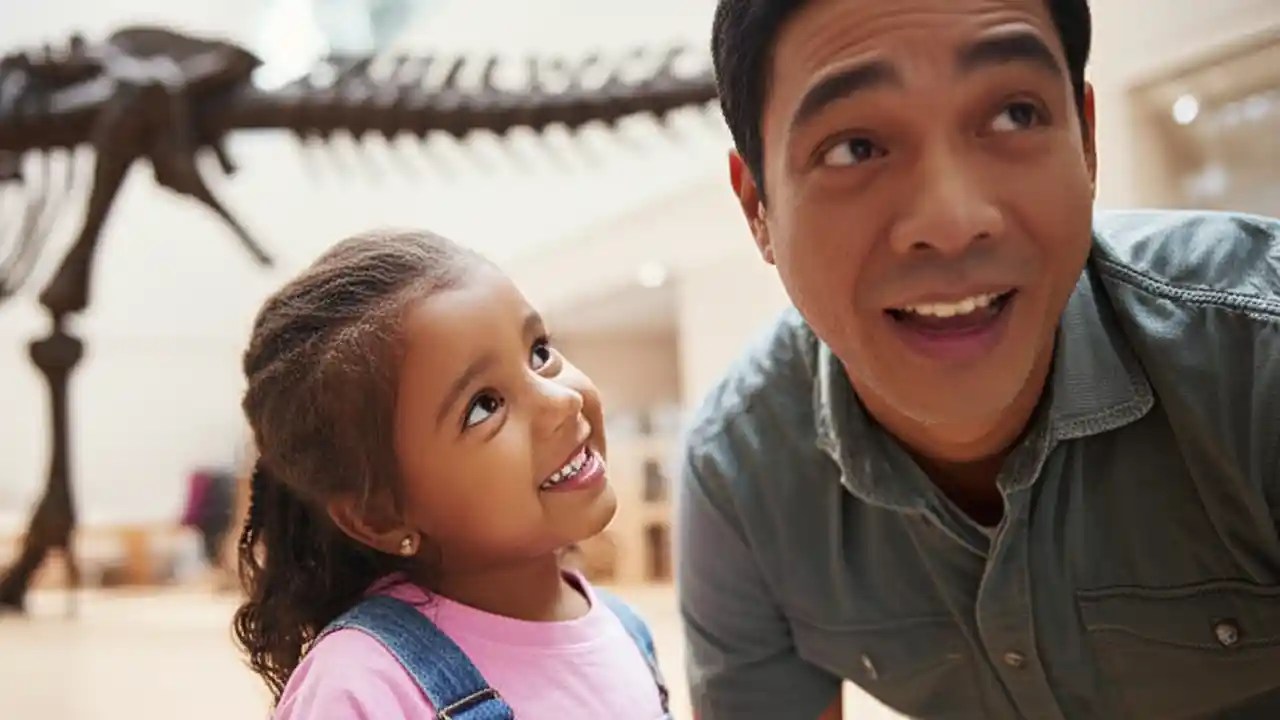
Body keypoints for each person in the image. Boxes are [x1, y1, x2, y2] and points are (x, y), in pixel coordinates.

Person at [677, 0, 1280, 718]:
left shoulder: (1257, 365)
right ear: (757, 209)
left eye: (1014, 115)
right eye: (854, 149)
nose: (953, 221)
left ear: (1087, 141)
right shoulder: (742, 474)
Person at [233, 229, 670, 719]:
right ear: (378, 516)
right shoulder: (360, 686)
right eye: (484, 407)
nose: (562, 400)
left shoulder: (628, 633)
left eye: (540, 352)